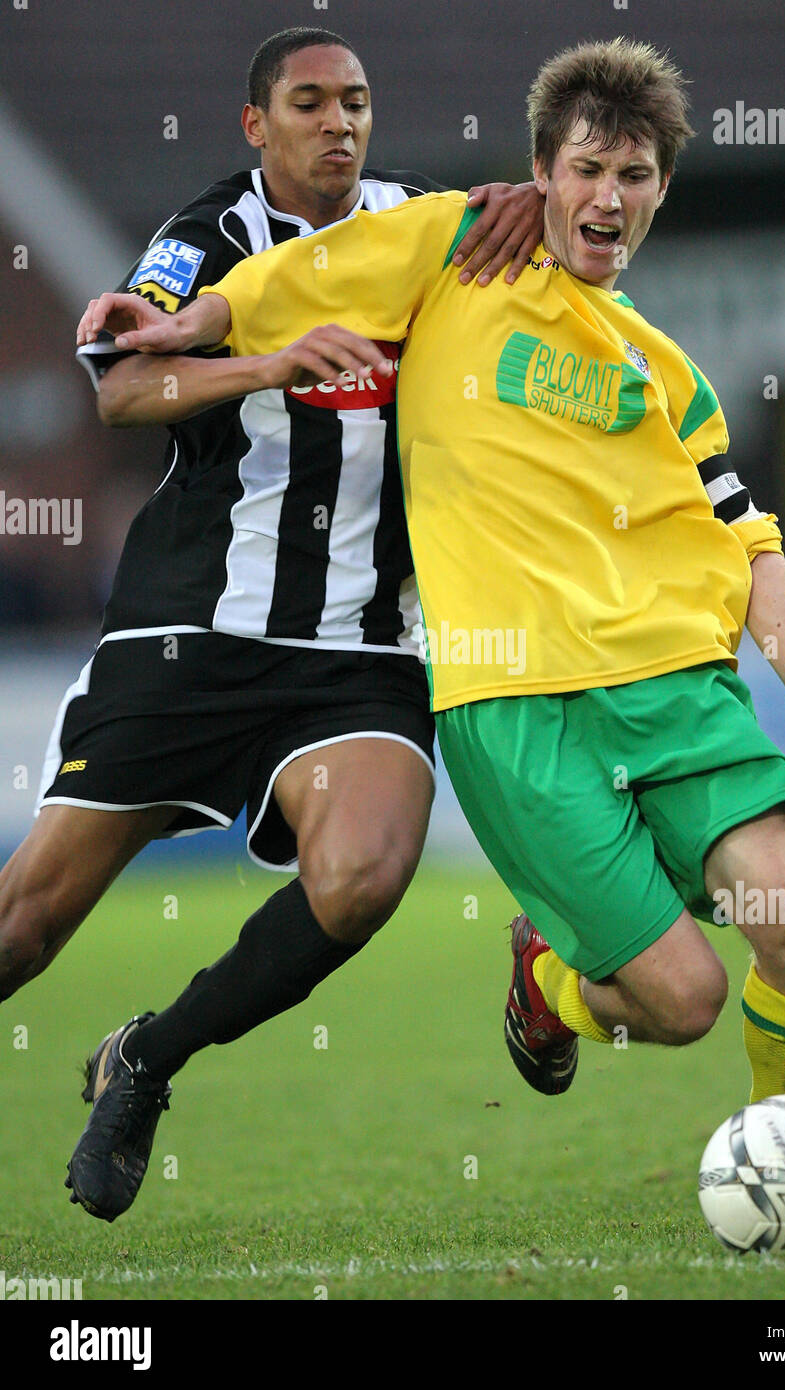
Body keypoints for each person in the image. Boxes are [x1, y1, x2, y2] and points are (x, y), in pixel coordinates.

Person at [86, 37, 785, 1152]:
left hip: (677, 692)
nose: (605, 197)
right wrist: (175, 326)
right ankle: (549, 981)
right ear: (539, 174)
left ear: (661, 190)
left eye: (633, 176)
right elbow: (282, 286)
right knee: (683, 1000)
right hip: (512, 706)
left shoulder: (668, 373)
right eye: (584, 171)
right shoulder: (453, 251)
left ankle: (783, 1155)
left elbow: (749, 544)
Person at [0, 25, 543, 1223]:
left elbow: (545, 240)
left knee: (361, 877)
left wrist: (531, 196)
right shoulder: (207, 239)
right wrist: (270, 363)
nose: (337, 122)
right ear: (258, 125)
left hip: (357, 647)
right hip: (189, 631)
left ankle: (146, 1058)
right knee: (26, 924)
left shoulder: (422, 228)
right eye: (309, 102)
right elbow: (126, 380)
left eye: (353, 100)